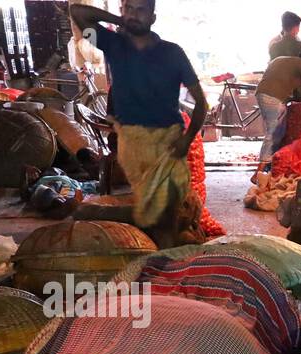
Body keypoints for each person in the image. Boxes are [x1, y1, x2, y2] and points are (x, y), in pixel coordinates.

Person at [70, 1, 208, 248]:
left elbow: (201, 104)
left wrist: (186, 140)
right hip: (132, 145)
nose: (134, 14)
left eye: (141, 10)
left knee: (166, 216)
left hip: (168, 144)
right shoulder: (111, 45)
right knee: (158, 218)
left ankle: (93, 215)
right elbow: (78, 12)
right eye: (129, 8)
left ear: (153, 17)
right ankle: (162, 261)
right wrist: (120, 20)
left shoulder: (172, 53)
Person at [254, 48, 301, 179]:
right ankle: (258, 172)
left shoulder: (282, 60)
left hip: (261, 94)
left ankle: (272, 168)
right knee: (274, 134)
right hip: (274, 98)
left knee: (278, 132)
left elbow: (293, 89)